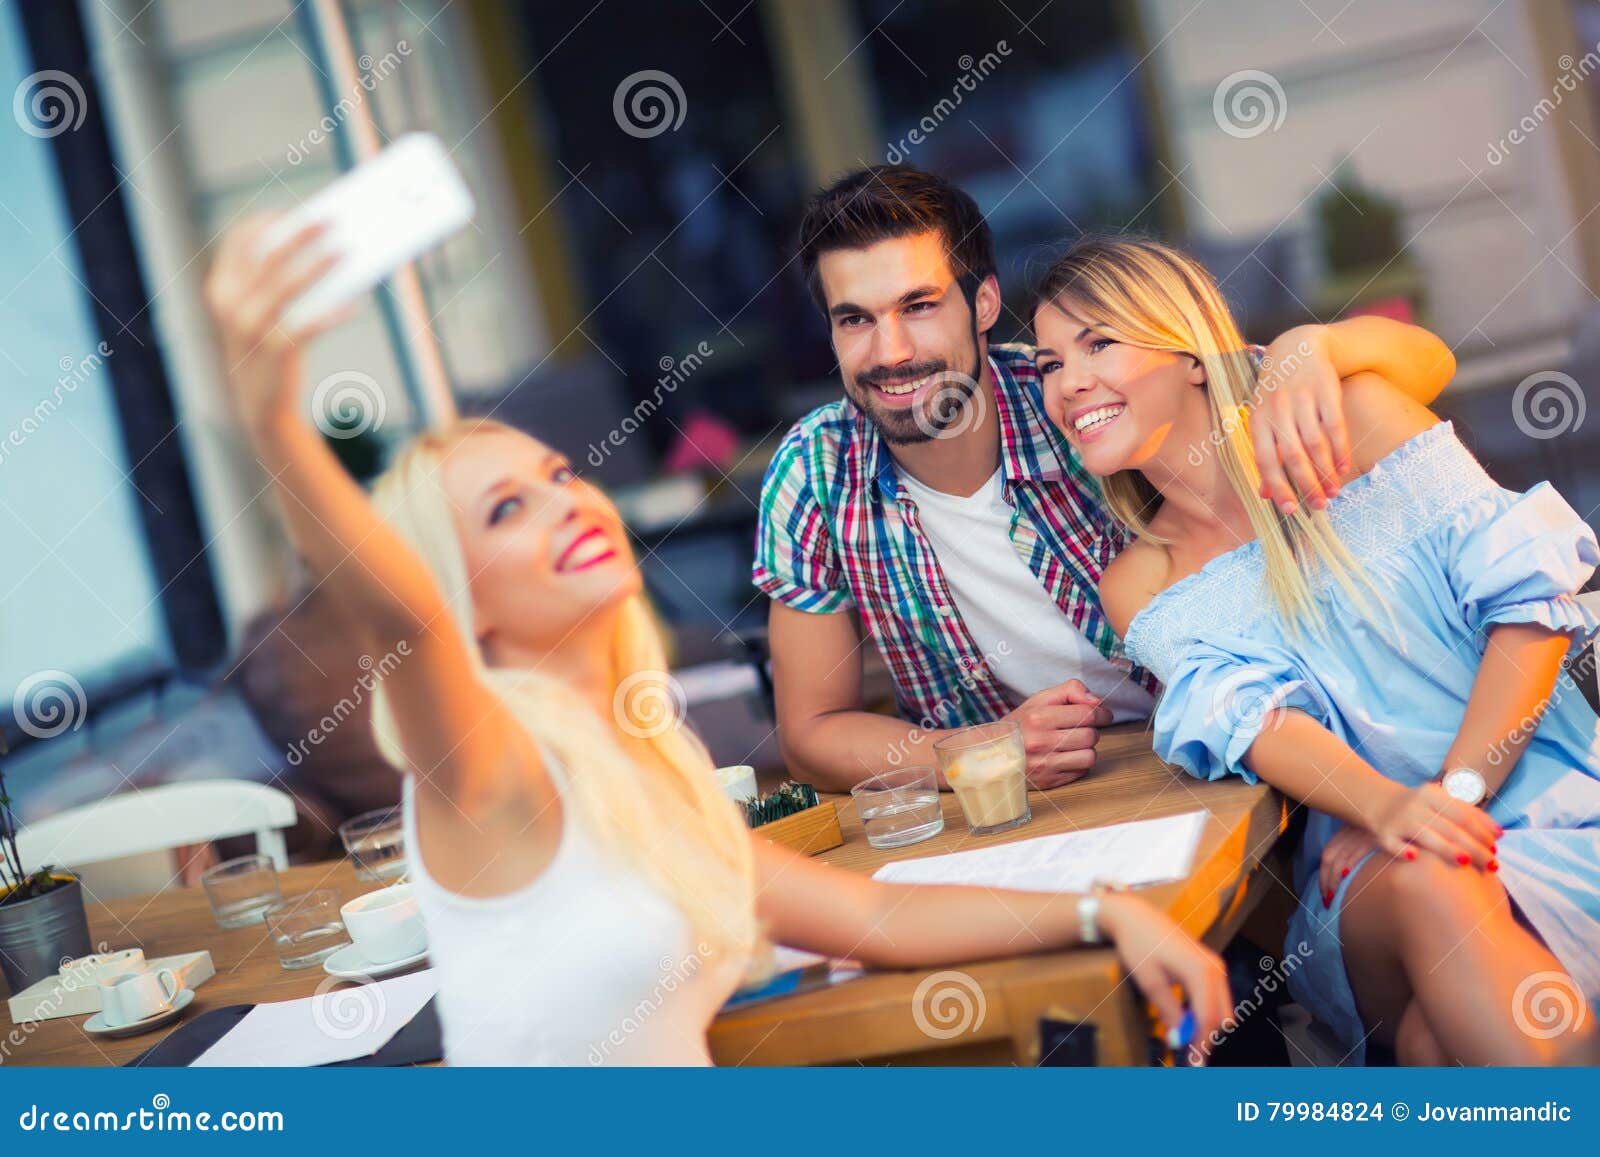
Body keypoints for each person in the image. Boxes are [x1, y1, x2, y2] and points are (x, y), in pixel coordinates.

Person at [202, 218, 1232, 1067]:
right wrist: (274, 426)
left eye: (562, 475)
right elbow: (405, 622)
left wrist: (1109, 912)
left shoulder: (645, 767)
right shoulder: (493, 761)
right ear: (455, 596)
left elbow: (876, 917)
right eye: (506, 510)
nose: (567, 503)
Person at [1031, 234, 1600, 1066]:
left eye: (1098, 342)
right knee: (1430, 879)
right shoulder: (1137, 580)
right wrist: (1388, 809)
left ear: (1194, 356)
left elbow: (1529, 615)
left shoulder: (1357, 421)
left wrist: (1448, 796)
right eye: (1048, 362)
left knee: (1431, 1042)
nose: (1068, 382)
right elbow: (1263, 725)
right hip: (1367, 871)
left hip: (1545, 810)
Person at [755, 164, 1458, 793]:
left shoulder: (1084, 395)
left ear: (985, 305)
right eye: (856, 320)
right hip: (1056, 804)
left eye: (919, 305)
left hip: (1254, 748)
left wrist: (1315, 344)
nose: (892, 352)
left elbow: (1428, 367)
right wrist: (969, 751)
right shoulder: (817, 470)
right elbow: (811, 733)